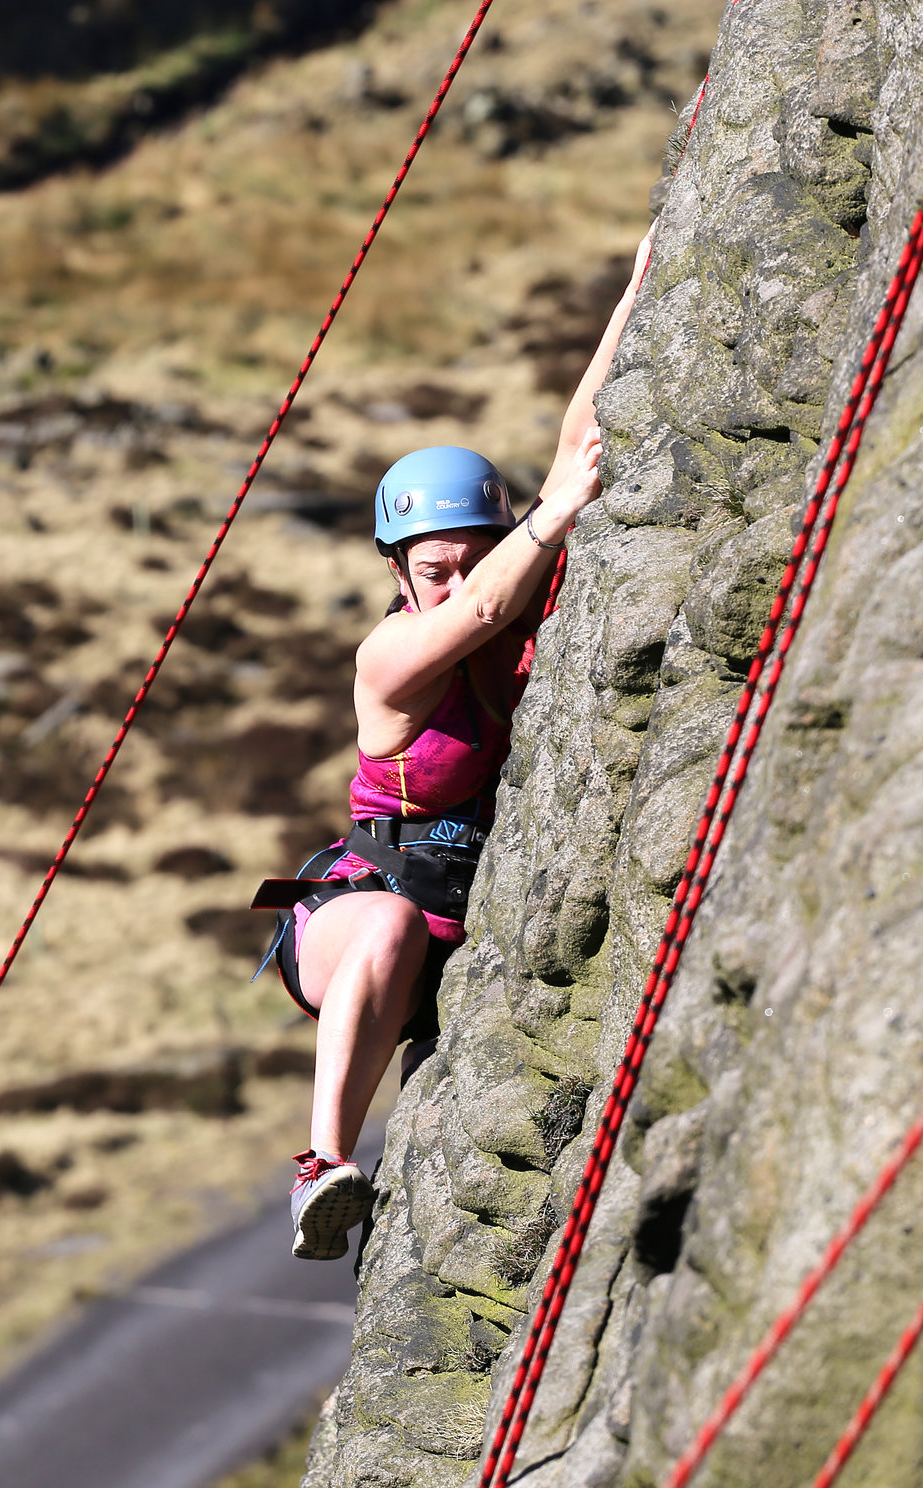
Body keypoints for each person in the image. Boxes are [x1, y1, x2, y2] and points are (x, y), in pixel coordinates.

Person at [255, 228, 654, 1262]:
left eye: (473, 555)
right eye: (433, 565)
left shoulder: (510, 599)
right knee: (387, 926)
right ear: (399, 571)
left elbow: (580, 438)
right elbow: (477, 612)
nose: (459, 577)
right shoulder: (388, 658)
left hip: (467, 900)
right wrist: (549, 521)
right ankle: (320, 1167)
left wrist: (644, 275)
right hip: (363, 905)